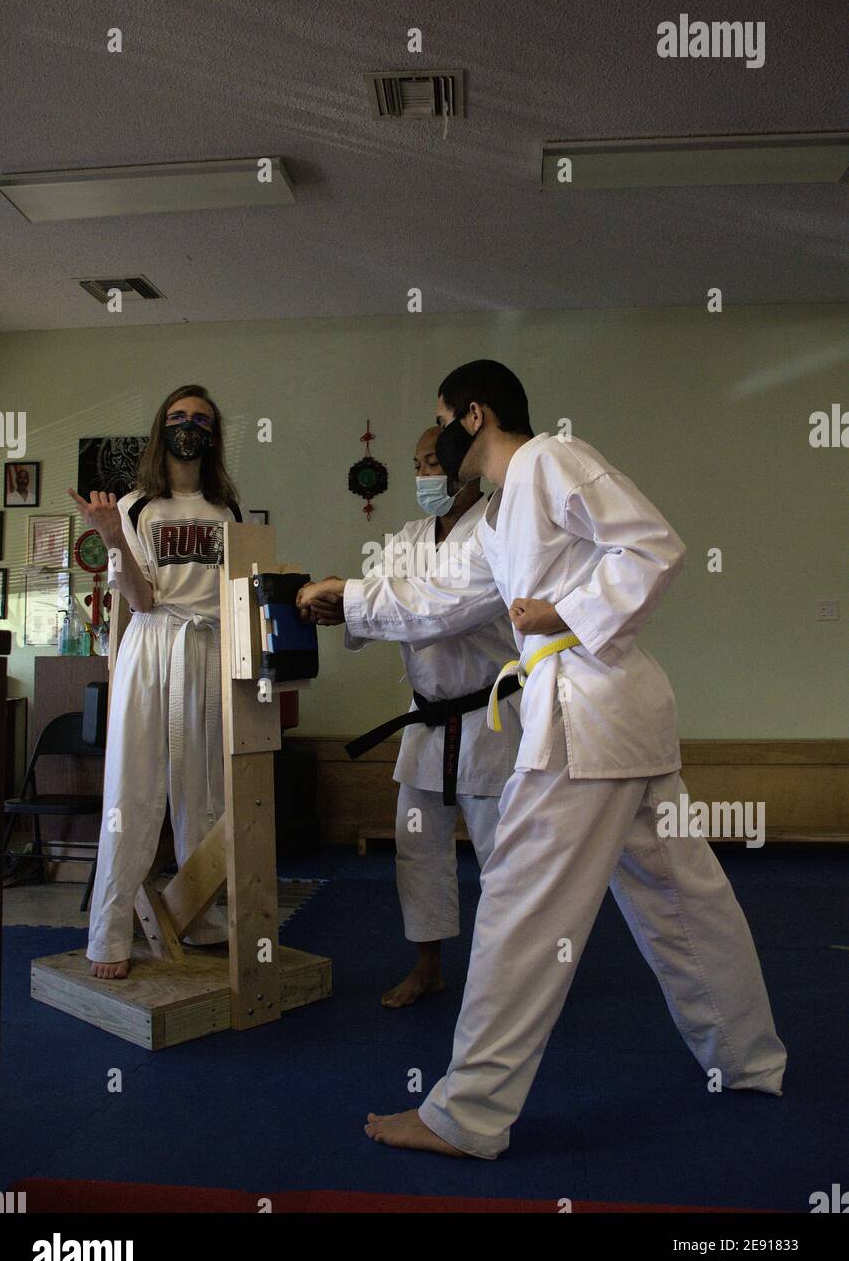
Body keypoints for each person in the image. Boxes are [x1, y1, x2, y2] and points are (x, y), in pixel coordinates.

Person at [298, 359, 787, 1159]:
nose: (435, 450)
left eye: (440, 421)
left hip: (585, 712)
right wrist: (347, 597)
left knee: (518, 914)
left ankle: (468, 1115)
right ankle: (748, 1061)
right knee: (683, 902)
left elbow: (653, 547)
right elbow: (441, 597)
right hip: (613, 718)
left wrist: (566, 607)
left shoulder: (550, 459)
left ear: (474, 414)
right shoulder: (500, 516)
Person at [310, 426, 521, 1007]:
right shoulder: (403, 538)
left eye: (434, 461)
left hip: (489, 719)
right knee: (418, 850)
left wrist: (353, 599)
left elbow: (433, 609)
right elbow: (385, 602)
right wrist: (339, 609)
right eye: (418, 463)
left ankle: (512, 981)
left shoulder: (497, 529)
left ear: (466, 464)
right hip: (426, 721)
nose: (425, 473)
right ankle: (428, 967)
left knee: (502, 857)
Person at [68, 385, 244, 979]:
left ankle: (200, 917)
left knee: (206, 791)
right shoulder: (136, 506)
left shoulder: (227, 510)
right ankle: (109, 935)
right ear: (159, 428)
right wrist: (111, 536)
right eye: (177, 417)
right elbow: (140, 598)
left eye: (200, 419)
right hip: (152, 643)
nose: (189, 426)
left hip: (209, 649)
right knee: (132, 790)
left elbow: (236, 593)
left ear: (214, 435)